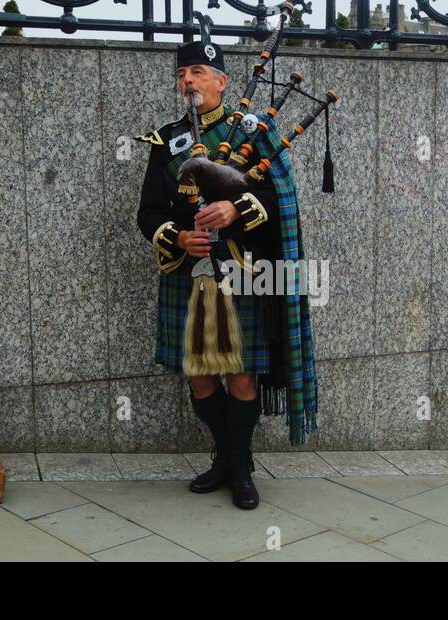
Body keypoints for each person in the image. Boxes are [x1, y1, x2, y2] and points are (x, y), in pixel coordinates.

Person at [135, 39, 318, 510]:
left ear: (222, 81)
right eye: (182, 75)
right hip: (191, 276)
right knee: (200, 377)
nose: (189, 81)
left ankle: (240, 466)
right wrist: (177, 236)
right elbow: (149, 211)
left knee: (240, 377)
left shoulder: (256, 133)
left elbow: (283, 200)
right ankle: (226, 457)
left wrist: (236, 208)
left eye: (198, 72)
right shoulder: (169, 139)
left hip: (245, 274)